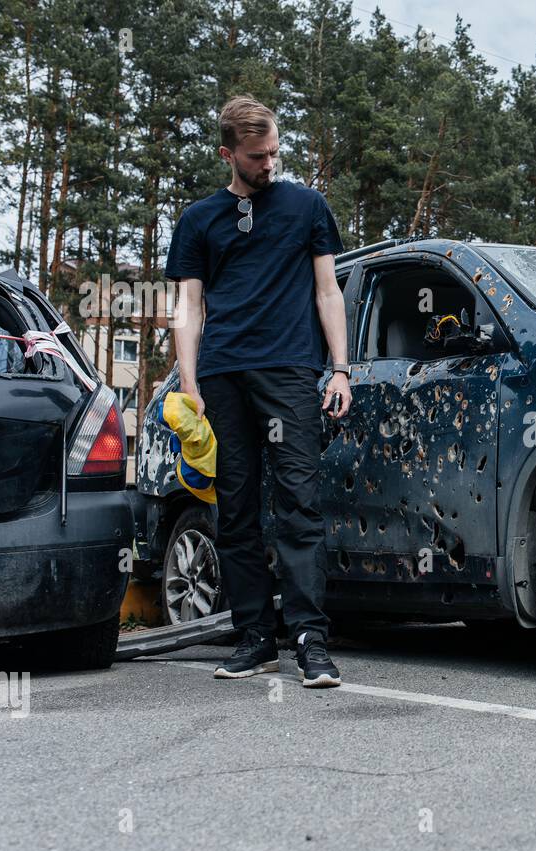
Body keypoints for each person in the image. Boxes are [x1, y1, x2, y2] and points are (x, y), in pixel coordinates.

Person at [164, 95, 351, 688]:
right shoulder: (198, 220)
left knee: (298, 504)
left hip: (291, 370)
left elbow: (328, 292)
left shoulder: (307, 206)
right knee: (235, 508)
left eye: (274, 151)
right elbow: (188, 305)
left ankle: (310, 642)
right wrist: (188, 380)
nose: (270, 162)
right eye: (257, 156)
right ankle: (253, 638)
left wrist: (341, 367)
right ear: (229, 155)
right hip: (221, 376)